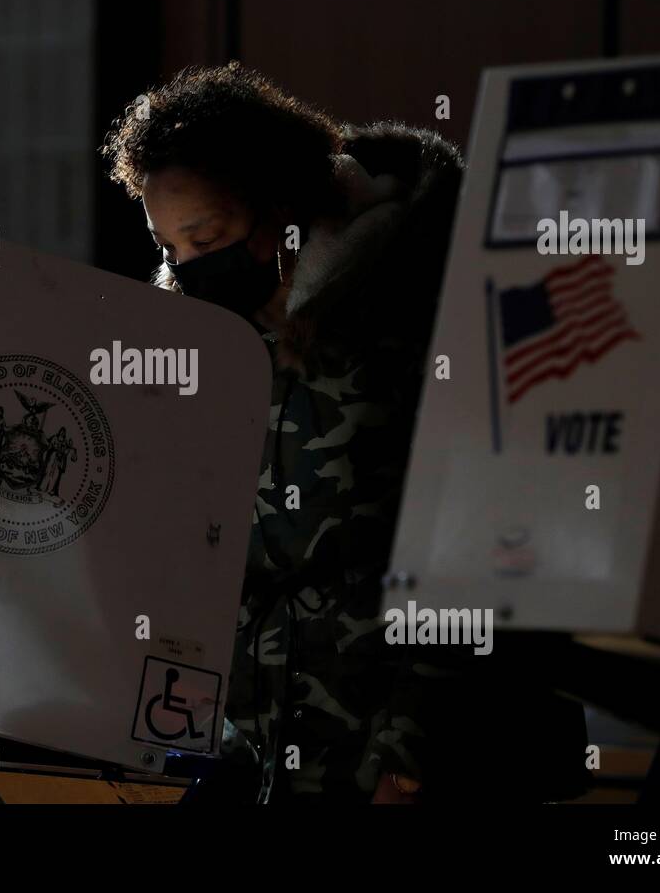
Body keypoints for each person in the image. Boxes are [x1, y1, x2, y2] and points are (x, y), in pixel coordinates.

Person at [101, 62, 465, 802]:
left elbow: (478, 537)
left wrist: (409, 751)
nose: (190, 268)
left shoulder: (417, 305)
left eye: (209, 234)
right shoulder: (207, 344)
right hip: (258, 750)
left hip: (405, 752)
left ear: (284, 198)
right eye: (171, 249)